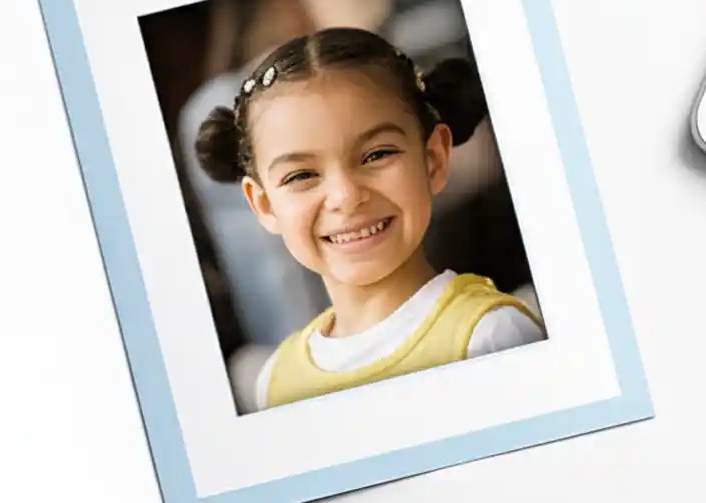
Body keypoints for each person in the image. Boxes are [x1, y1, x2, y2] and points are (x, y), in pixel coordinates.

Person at [194, 27, 545, 411]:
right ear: (263, 205)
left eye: (377, 155)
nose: (346, 197)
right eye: (301, 176)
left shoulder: (490, 336)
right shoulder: (275, 383)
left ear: (433, 160)